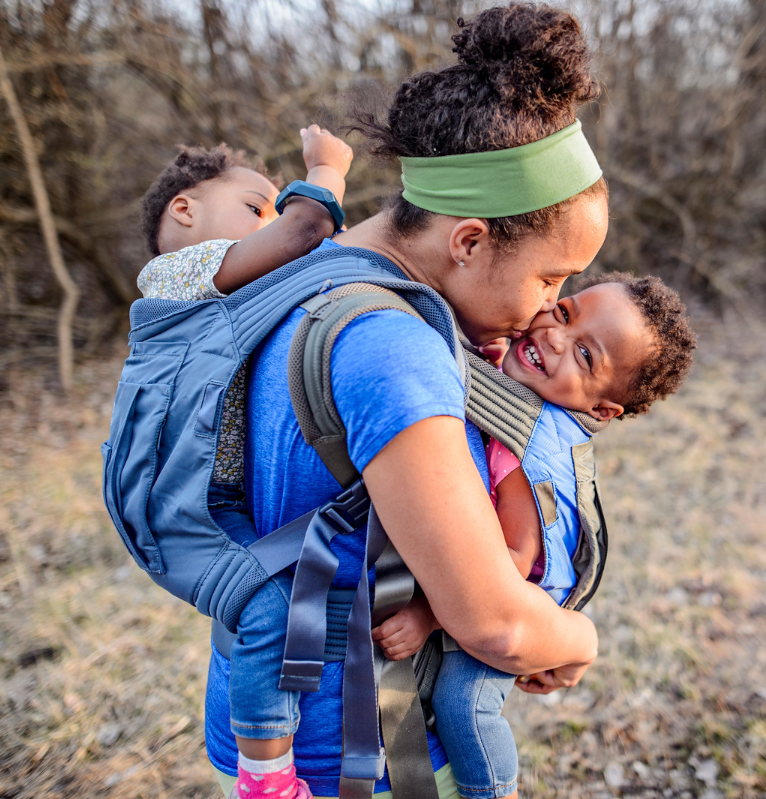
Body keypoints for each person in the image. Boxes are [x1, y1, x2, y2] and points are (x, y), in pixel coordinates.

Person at [204, 5, 610, 798]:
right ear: (467, 241)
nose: (544, 312)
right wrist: (576, 635)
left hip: (257, 722)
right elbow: (491, 618)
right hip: (357, 757)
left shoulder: (309, 262)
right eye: (550, 279)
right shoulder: (395, 349)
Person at [372, 272, 696, 799]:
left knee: (464, 705)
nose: (554, 337)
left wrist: (429, 616)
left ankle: (495, 790)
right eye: (565, 313)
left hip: (526, 596)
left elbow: (516, 560)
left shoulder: (529, 449)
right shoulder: (522, 387)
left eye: (586, 357)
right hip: (500, 579)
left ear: (601, 410)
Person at [136, 125, 354, 799]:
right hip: (180, 502)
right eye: (258, 205)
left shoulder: (231, 296)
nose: (271, 220)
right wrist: (325, 168)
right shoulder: (170, 276)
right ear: (185, 210)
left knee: (279, 596)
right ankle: (265, 776)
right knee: (268, 606)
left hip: (219, 494)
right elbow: (304, 231)